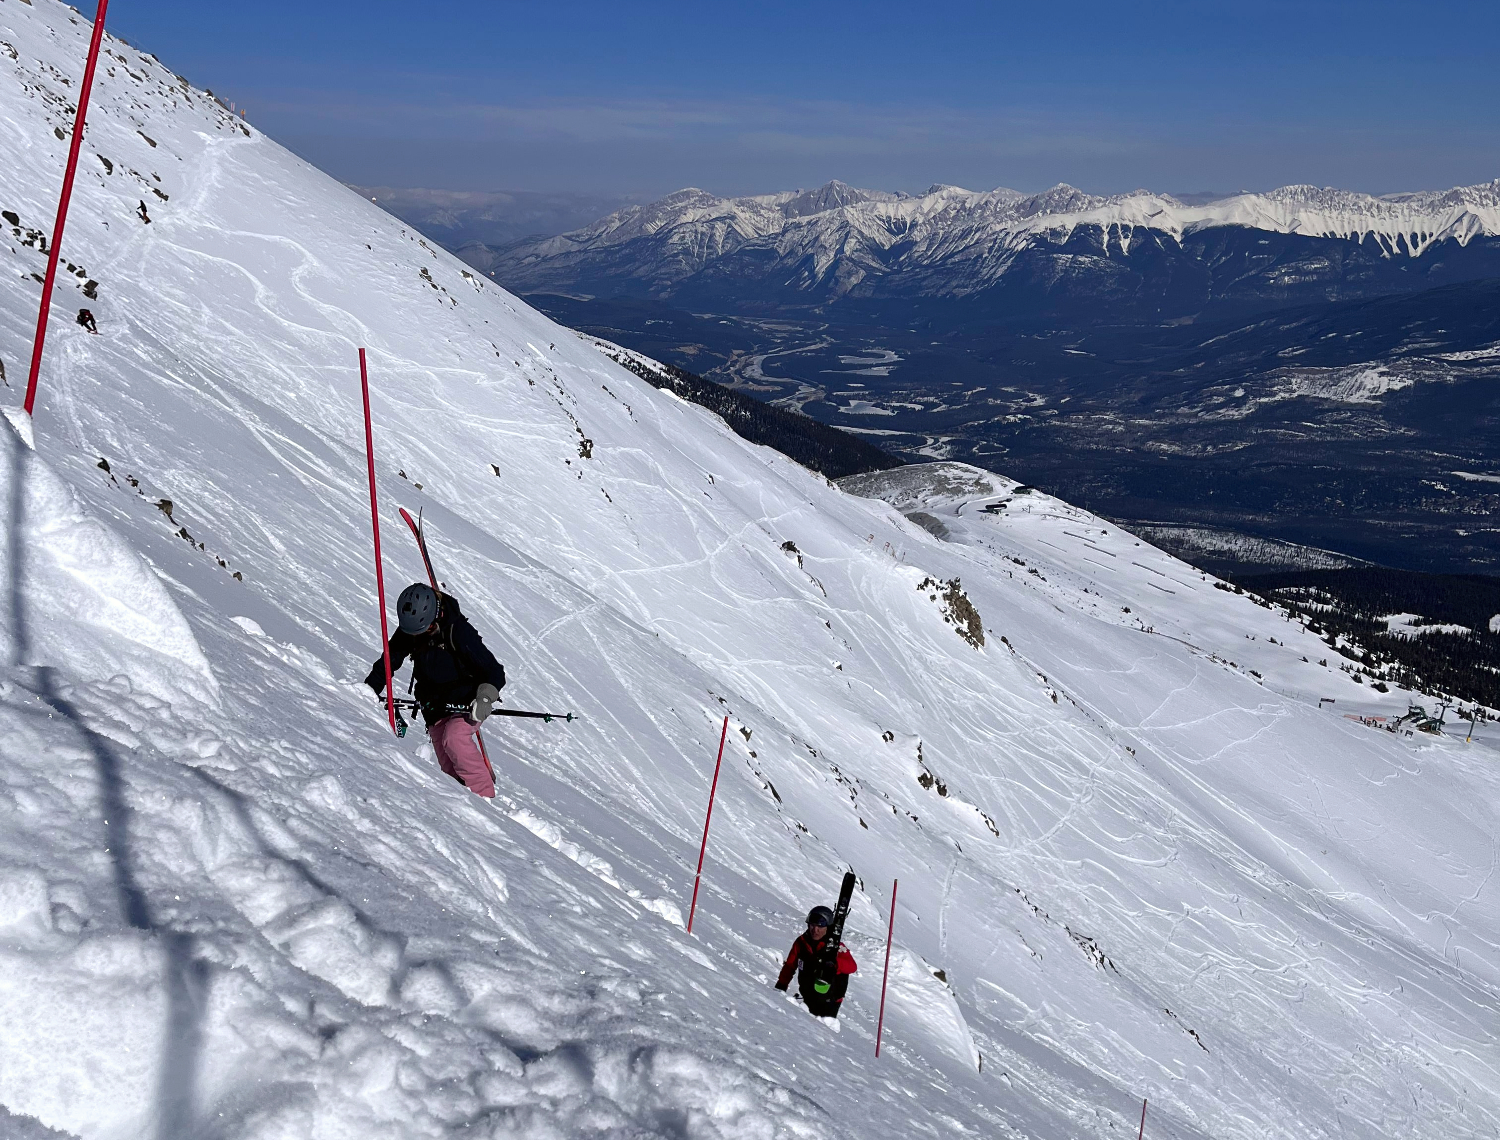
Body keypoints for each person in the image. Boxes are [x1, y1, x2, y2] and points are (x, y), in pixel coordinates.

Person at [365, 582, 506, 799]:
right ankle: (462, 804)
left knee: (454, 739)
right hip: (433, 706)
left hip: (466, 702)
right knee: (447, 766)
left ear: (435, 616)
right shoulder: (411, 629)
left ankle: (486, 799)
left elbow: (494, 671)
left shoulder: (458, 631)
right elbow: (389, 660)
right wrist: (368, 690)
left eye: (426, 629)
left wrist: (485, 698)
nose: (421, 634)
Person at [774, 904, 857, 1017]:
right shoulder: (801, 943)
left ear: (827, 927)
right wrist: (781, 985)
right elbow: (790, 966)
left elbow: (852, 967)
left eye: (820, 927)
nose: (815, 930)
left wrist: (835, 963)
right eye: (812, 925)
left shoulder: (836, 946)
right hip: (808, 995)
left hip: (830, 1000)